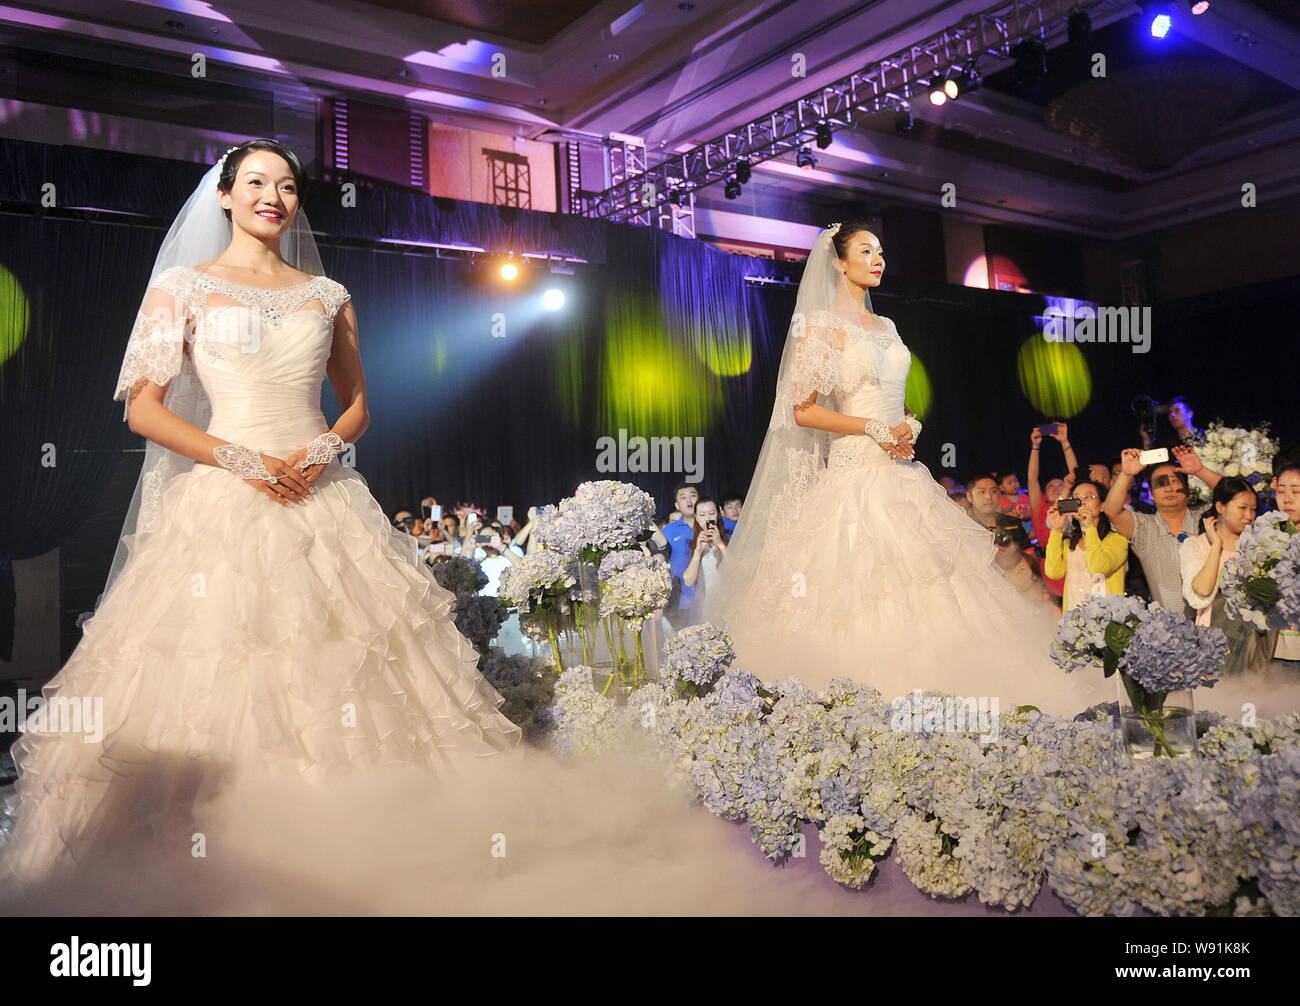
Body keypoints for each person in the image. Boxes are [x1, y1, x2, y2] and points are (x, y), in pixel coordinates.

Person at [0, 140, 520, 887]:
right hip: (223, 496)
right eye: (255, 182)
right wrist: (239, 459)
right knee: (220, 663)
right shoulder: (181, 287)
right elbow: (143, 410)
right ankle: (226, 868)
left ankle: (369, 863)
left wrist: (320, 452)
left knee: (359, 665)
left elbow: (360, 408)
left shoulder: (327, 295)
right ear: (224, 194)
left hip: (323, 497)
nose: (271, 195)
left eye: (286, 184)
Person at [698, 221, 1104, 714]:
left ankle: (957, 706)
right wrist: (870, 427)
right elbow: (801, 410)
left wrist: (908, 423)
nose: (877, 259)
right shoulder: (821, 325)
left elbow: (891, 398)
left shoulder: (886, 327)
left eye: (882, 252)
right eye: (865, 251)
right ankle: (869, 711)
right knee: (860, 588)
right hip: (854, 477)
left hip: (901, 470)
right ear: (839, 262)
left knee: (937, 585)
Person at [1103, 446, 1221, 617]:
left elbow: (1235, 495)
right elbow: (1111, 510)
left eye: (1175, 480)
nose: (1169, 487)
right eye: (1161, 483)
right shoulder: (1144, 527)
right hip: (1168, 632)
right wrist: (1126, 474)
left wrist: (1200, 471)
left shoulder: (1204, 518)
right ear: (1151, 494)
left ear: (1187, 490)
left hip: (1212, 622)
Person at [1180, 477, 1277, 674]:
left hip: (1256, 643)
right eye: (1242, 508)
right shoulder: (1195, 545)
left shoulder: (1259, 547)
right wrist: (1216, 546)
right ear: (1220, 507)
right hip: (1215, 641)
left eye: (1253, 509)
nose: (1249, 515)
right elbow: (1202, 592)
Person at [1042, 477, 1129, 611]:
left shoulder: (1117, 540)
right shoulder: (1069, 543)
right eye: (1076, 497)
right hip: (1074, 620)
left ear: (1102, 506)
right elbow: (1053, 572)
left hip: (1108, 622)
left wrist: (1089, 527)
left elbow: (1098, 569)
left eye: (1089, 497)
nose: (1082, 502)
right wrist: (1056, 530)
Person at [681, 497, 730, 621]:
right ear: (696, 517)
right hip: (702, 609)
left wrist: (720, 545)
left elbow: (737, 572)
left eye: (712, 513)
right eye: (702, 515)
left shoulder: (731, 537)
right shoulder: (690, 544)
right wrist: (698, 552)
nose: (707, 518)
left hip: (728, 607)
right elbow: (688, 581)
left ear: (718, 514)